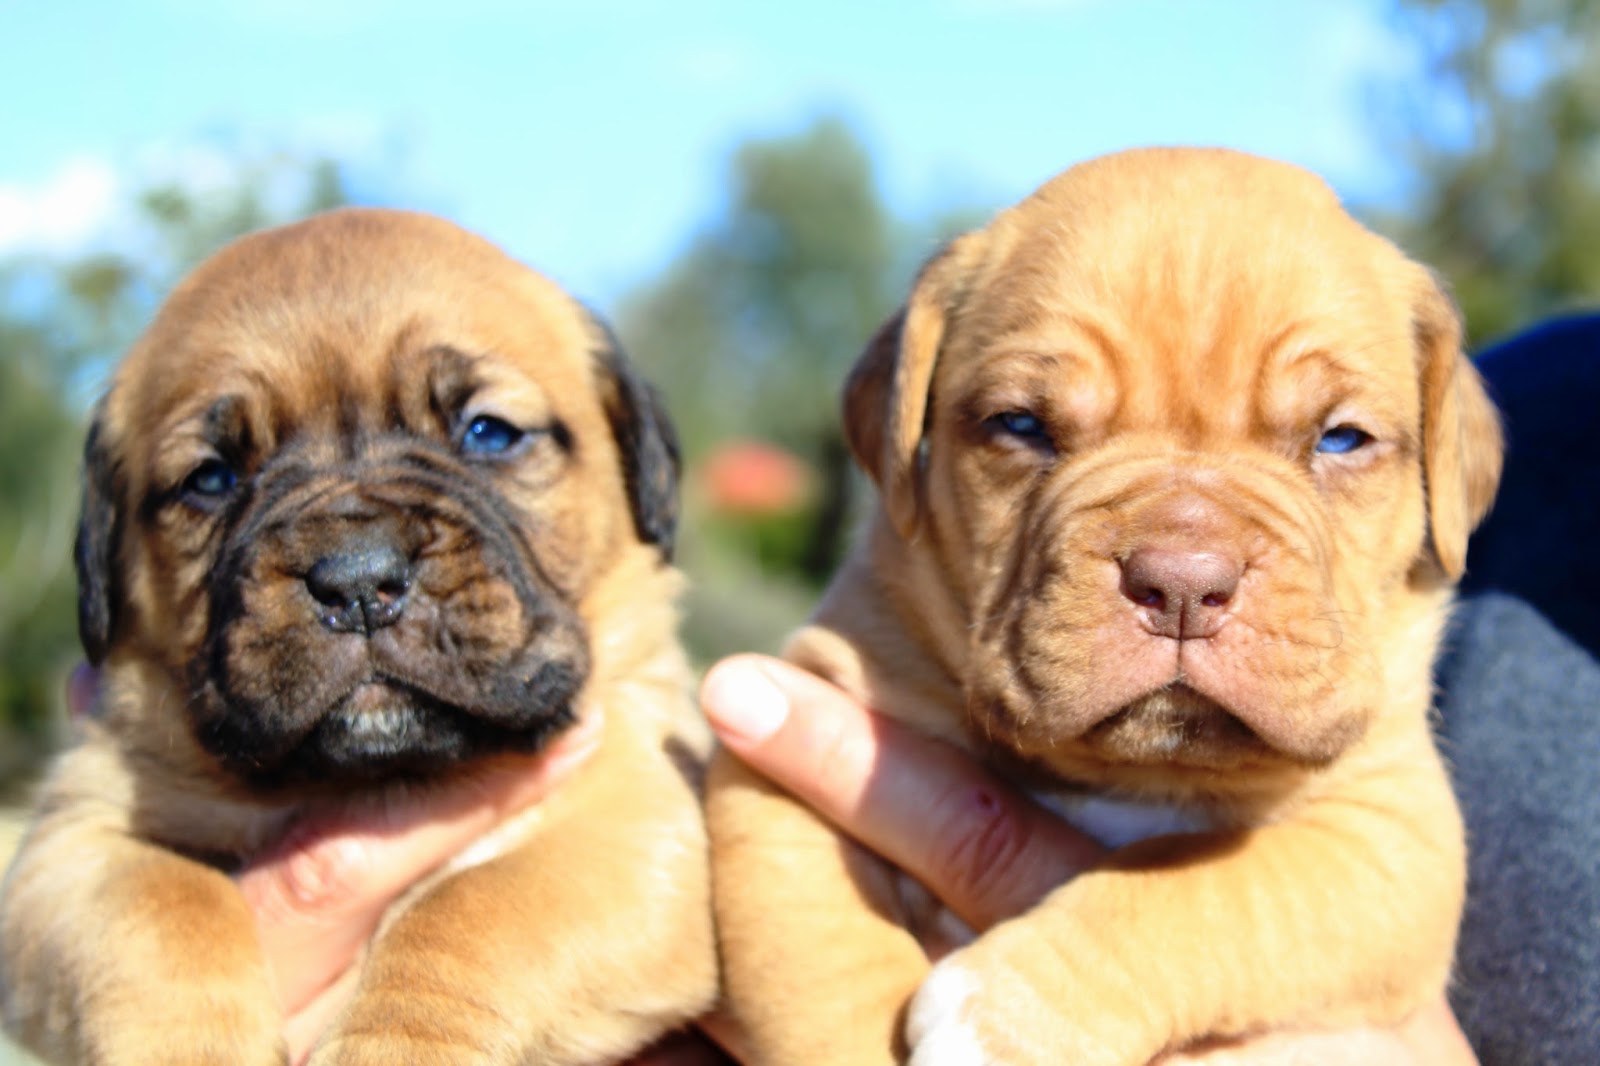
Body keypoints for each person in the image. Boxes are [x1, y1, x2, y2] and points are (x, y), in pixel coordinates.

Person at [62, 313, 1600, 1064]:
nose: (1188, 549)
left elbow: (1386, 867)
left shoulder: (1443, 463)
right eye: (1032, 426)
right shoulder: (1543, 407)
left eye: (1331, 442)